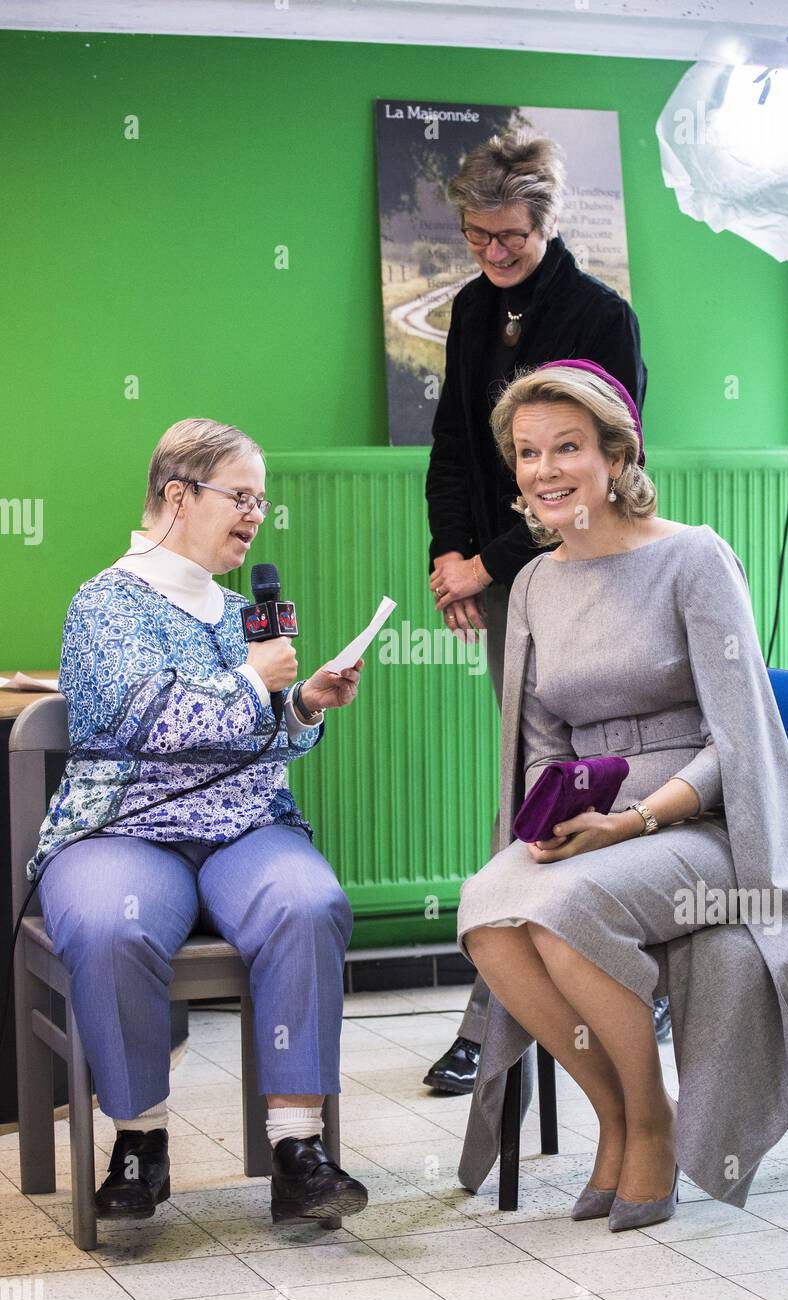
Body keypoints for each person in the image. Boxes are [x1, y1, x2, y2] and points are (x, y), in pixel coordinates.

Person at [454, 360, 788, 1229]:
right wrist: (549, 824)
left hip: (704, 822)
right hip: (591, 823)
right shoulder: (533, 587)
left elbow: (739, 736)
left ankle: (655, 1134)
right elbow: (540, 745)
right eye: (526, 453)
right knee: (488, 909)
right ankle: (625, 1114)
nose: (545, 471)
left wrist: (634, 818)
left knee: (562, 913)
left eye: (566, 448)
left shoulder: (693, 558)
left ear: (616, 456)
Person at [29, 418, 369, 1224]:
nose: (257, 514)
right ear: (177, 495)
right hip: (121, 828)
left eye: (263, 499)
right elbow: (153, 717)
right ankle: (140, 1143)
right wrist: (258, 682)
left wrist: (302, 706)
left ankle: (298, 1148)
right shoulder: (103, 603)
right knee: (114, 926)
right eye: (241, 496)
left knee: (308, 903)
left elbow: (257, 740)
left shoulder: (235, 610)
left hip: (243, 827)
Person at [424, 132, 655, 1092]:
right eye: (476, 235)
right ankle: (509, 1007)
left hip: (591, 575)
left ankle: (584, 990)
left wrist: (491, 560)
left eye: (507, 235)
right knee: (531, 791)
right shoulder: (473, 310)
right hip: (503, 579)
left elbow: (599, 470)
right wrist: (449, 553)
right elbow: (453, 448)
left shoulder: (601, 315)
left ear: (547, 222)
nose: (490, 253)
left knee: (588, 785)